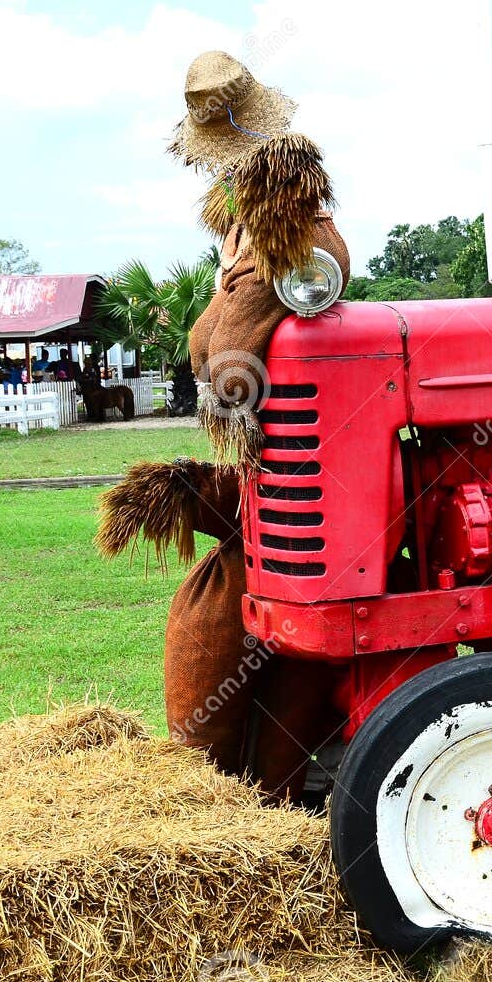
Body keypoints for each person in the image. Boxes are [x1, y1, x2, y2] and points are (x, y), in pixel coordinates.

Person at [98, 49, 349, 805]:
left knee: (255, 656)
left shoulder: (298, 248)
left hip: (313, 491)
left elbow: (227, 360)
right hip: (272, 491)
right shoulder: (257, 246)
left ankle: (252, 806)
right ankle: (236, 799)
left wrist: (226, 289)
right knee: (223, 641)